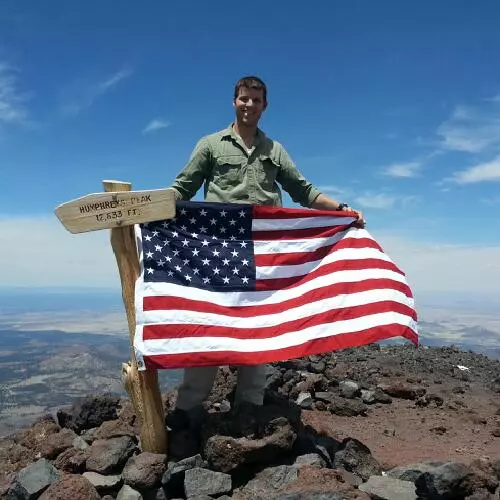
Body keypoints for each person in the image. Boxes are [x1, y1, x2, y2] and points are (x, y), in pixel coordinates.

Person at [166, 75, 365, 430]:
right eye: (244, 99)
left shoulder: (274, 150)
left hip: (264, 254)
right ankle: (188, 410)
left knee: (259, 326)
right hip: (219, 252)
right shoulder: (211, 144)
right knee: (211, 324)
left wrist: (342, 210)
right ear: (234, 101)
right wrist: (146, 210)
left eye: (256, 100)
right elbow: (182, 188)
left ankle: (249, 406)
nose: (249, 105)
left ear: (264, 106)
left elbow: (303, 190)